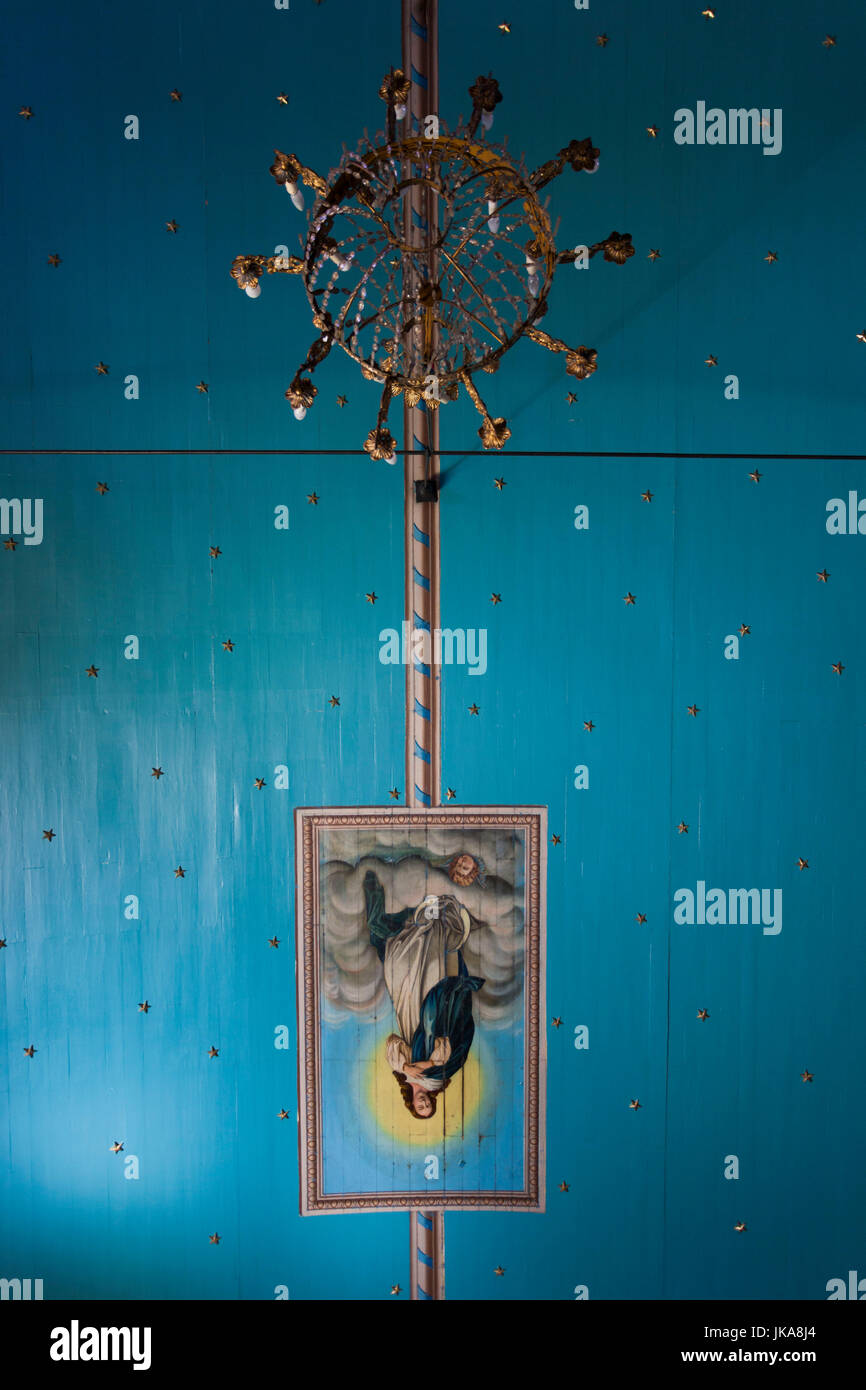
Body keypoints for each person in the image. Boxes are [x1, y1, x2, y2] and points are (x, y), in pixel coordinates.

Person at [364, 869, 484, 1120]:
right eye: (428, 1106)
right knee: (431, 969)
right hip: (433, 1014)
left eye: (420, 1108)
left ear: (412, 1105)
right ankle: (433, 920)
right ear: (431, 1101)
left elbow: (393, 1042)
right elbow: (444, 1045)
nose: (423, 1104)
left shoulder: (402, 1073)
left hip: (409, 1017)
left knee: (400, 969)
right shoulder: (437, 1079)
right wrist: (429, 1065)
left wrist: (408, 1066)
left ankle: (411, 918)